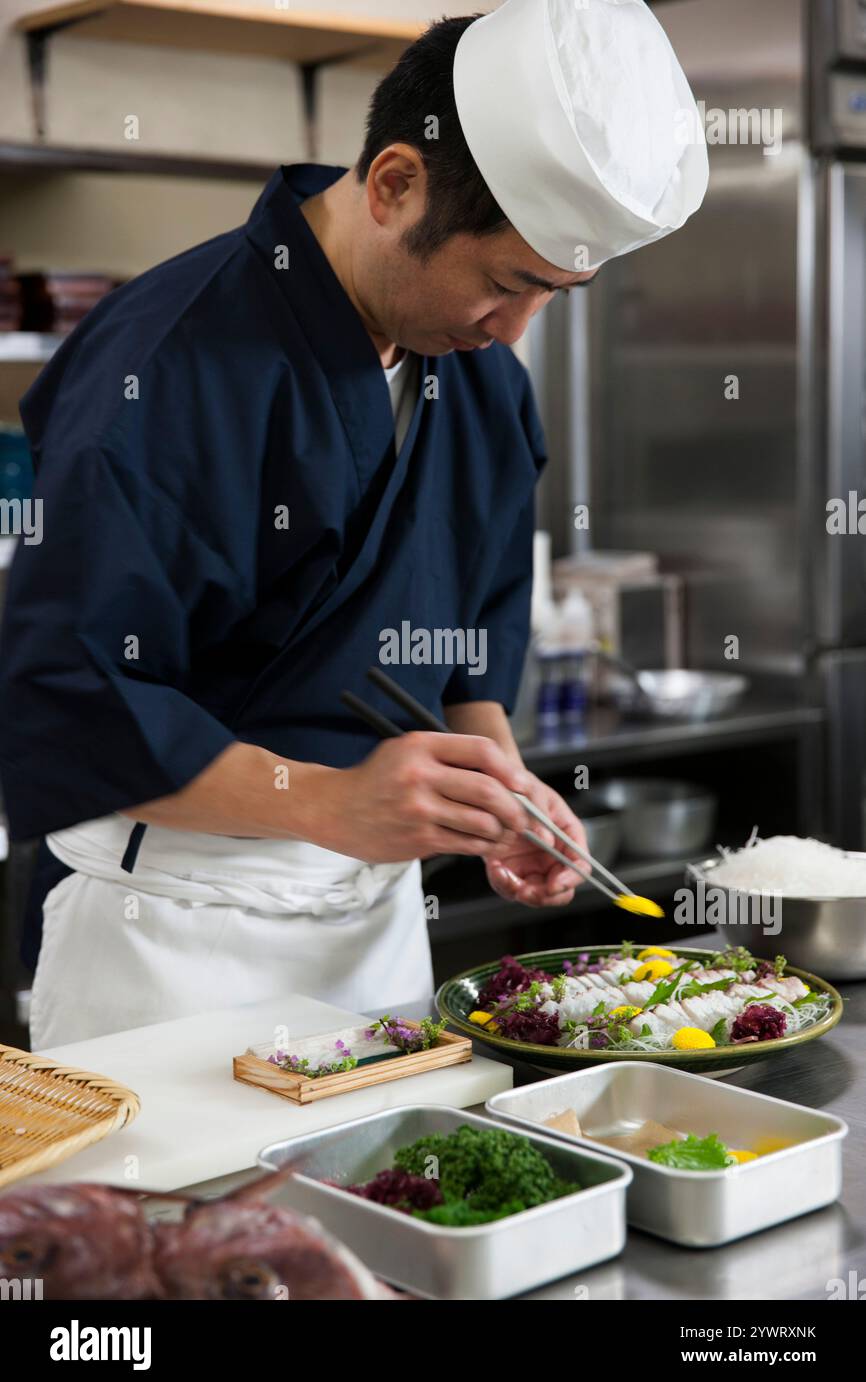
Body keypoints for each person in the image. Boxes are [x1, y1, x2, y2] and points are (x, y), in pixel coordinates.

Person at [0, 0, 708, 1048]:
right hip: (173, 936)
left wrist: (497, 792)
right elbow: (66, 695)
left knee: (384, 1202)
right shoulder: (164, 365)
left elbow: (466, 649)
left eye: (554, 295)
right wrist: (329, 800)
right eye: (507, 283)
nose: (512, 331)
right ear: (394, 185)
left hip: (373, 933)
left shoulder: (481, 385)